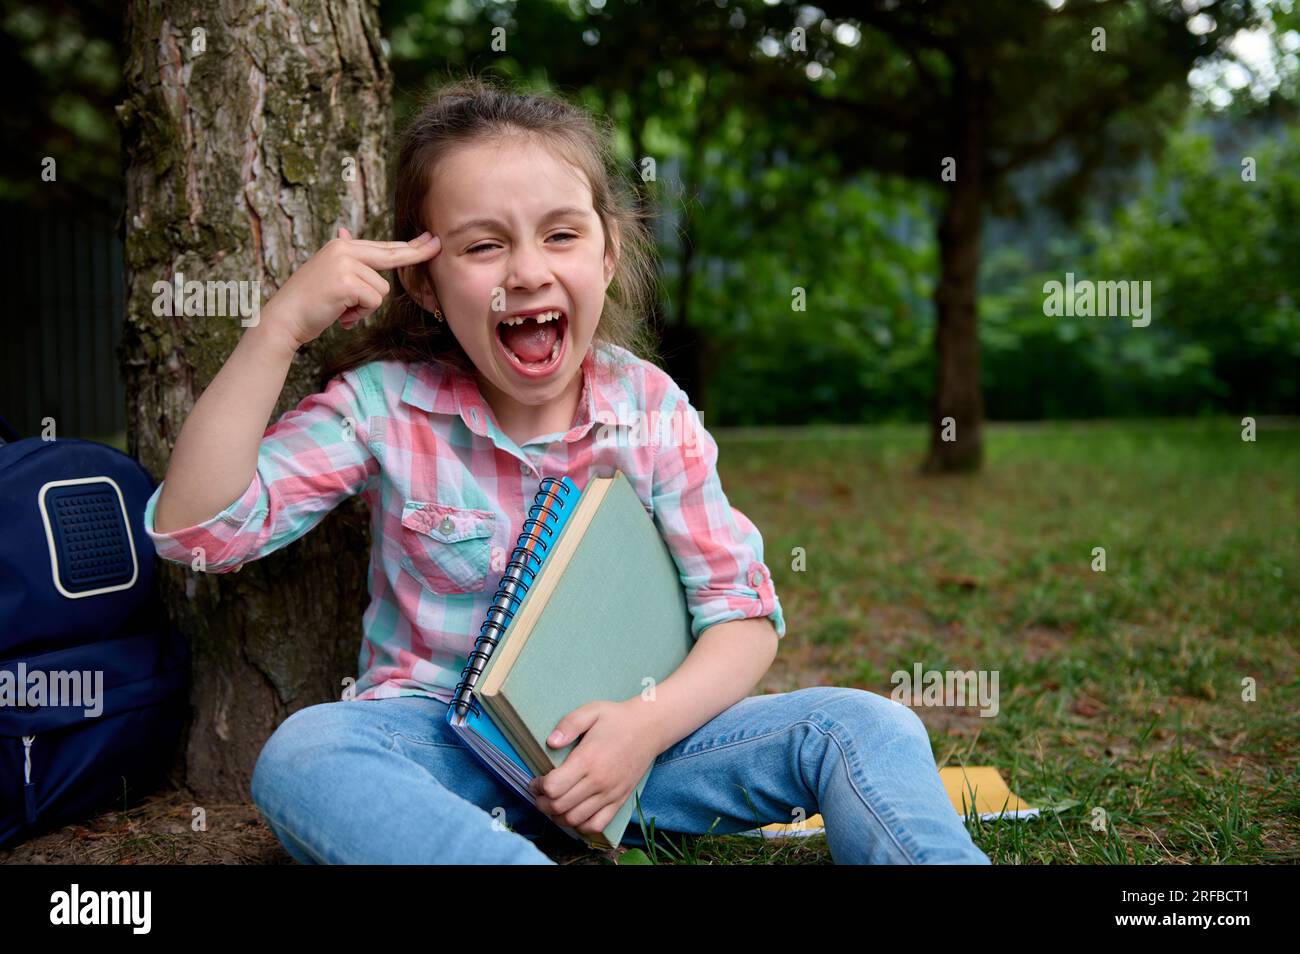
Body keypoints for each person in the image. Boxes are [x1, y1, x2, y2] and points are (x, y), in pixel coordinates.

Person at [145, 75, 990, 865]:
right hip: (439, 753)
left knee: (863, 724)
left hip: (635, 750)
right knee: (305, 753)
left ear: (608, 253)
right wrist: (281, 327)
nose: (527, 271)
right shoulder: (386, 407)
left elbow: (743, 618)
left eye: (560, 235)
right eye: (482, 246)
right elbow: (194, 531)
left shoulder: (650, 409)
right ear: (430, 286)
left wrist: (639, 730)